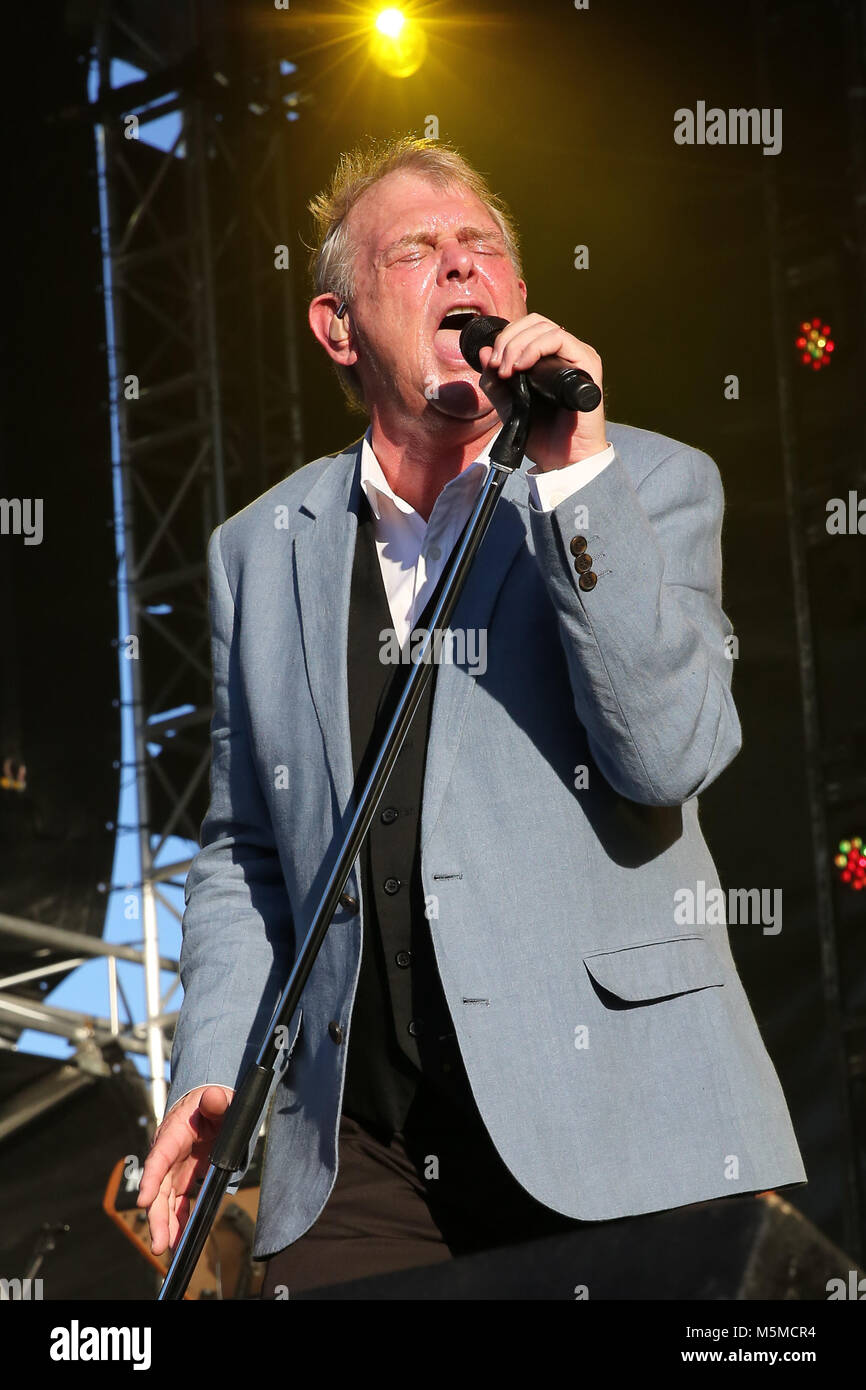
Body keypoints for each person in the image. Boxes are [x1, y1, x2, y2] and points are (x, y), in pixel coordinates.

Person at [138, 136, 806, 1296]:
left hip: (619, 1117)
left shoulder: (641, 482)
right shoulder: (259, 547)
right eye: (418, 251)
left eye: (481, 250)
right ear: (339, 329)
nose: (461, 270)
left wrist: (573, 478)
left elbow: (668, 755)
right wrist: (215, 1067)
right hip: (363, 1163)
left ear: (519, 305)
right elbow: (248, 850)